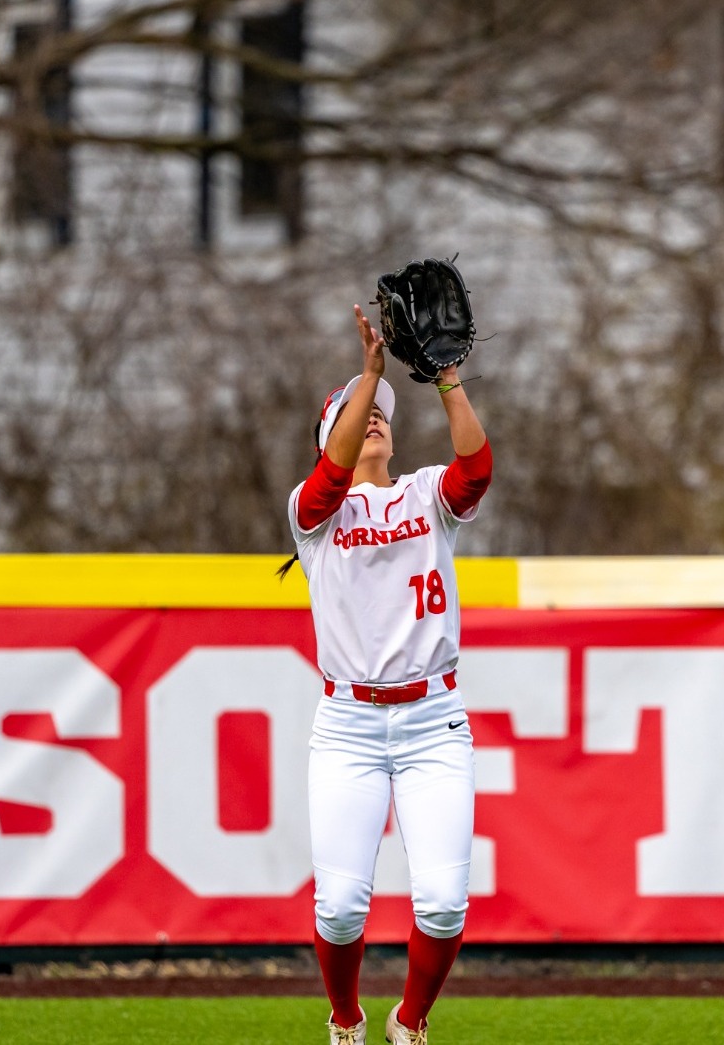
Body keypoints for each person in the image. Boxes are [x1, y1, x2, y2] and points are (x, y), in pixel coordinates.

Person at [288, 301, 492, 1045]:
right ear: (327, 438)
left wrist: (446, 379)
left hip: (433, 722)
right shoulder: (315, 515)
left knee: (442, 901)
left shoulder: (424, 493)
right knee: (340, 907)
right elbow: (327, 478)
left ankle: (410, 1024)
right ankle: (346, 1022)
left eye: (377, 409)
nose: (372, 413)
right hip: (347, 726)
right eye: (352, 411)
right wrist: (368, 374)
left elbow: (478, 466)